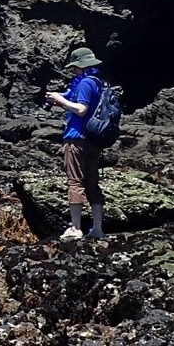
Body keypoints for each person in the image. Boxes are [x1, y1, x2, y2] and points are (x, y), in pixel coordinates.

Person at [45, 47, 108, 242]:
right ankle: (97, 228)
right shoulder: (100, 83)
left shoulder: (85, 83)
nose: (73, 71)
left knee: (75, 181)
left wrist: (60, 100)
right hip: (94, 140)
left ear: (79, 67)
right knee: (92, 184)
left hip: (76, 138)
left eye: (74, 68)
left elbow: (81, 109)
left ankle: (75, 227)